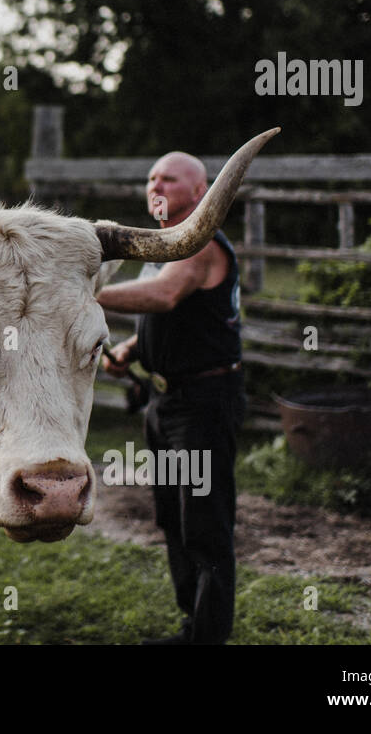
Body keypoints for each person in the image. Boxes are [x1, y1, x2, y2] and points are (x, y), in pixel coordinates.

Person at [97, 151, 246, 645]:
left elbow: (162, 297)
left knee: (203, 523)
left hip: (203, 402)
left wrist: (80, 291)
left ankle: (206, 639)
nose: (155, 185)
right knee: (173, 518)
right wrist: (130, 348)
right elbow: (173, 316)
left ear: (200, 190)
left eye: (170, 178)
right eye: (151, 177)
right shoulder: (163, 241)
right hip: (166, 403)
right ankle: (193, 627)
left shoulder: (199, 240)